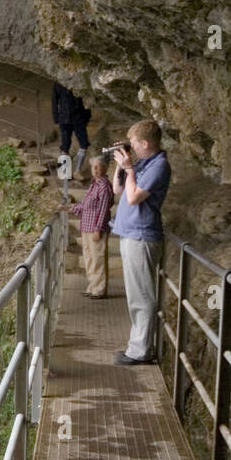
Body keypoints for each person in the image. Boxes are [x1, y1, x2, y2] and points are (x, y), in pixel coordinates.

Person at [109, 120, 171, 365]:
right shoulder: (144, 164)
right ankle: (137, 346)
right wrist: (121, 166)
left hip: (142, 237)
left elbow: (133, 197)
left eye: (133, 143)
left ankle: (141, 351)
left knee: (142, 296)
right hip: (132, 235)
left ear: (145, 143)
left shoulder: (160, 166)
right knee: (136, 295)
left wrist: (130, 169)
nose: (131, 147)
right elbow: (118, 189)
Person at [63, 155, 113, 298]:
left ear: (105, 168)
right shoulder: (94, 184)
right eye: (93, 167)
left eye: (98, 167)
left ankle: (99, 289)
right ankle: (92, 285)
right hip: (86, 226)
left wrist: (98, 229)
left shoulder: (104, 186)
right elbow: (85, 206)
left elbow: (103, 210)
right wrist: (69, 208)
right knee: (89, 259)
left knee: (97, 258)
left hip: (96, 229)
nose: (95, 169)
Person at [51, 82, 90, 181]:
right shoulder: (58, 84)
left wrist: (87, 116)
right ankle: (64, 172)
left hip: (78, 117)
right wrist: (56, 117)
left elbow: (87, 100)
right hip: (65, 118)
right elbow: (54, 101)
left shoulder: (78, 81)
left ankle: (77, 171)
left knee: (84, 144)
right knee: (65, 145)